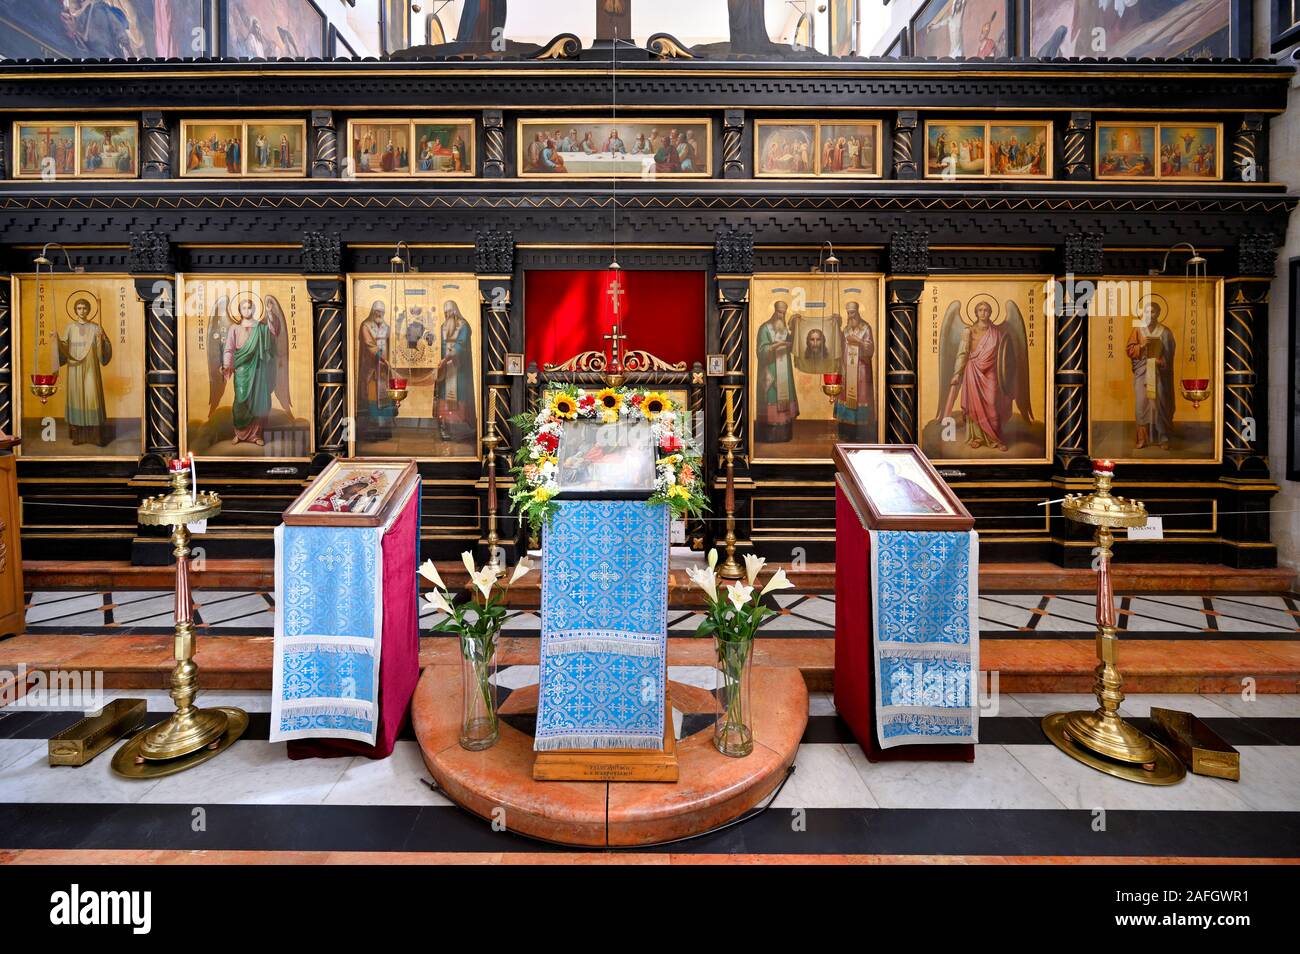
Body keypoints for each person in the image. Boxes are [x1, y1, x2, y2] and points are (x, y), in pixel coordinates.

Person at [941, 299, 1010, 451]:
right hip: (972, 371)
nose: (983, 312)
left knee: (992, 404)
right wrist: (957, 373)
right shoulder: (969, 331)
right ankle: (977, 437)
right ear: (976, 312)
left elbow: (1004, 357)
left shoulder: (997, 333)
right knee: (974, 406)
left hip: (991, 373)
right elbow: (963, 353)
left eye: (986, 310)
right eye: (980, 310)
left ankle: (996, 438)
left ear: (990, 312)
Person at [222, 295, 283, 446]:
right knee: (240, 401)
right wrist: (226, 364)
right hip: (241, 369)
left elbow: (274, 331)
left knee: (258, 401)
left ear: (254, 309)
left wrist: (269, 313)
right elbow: (229, 349)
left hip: (259, 369)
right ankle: (240, 434)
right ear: (239, 310)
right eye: (244, 307)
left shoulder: (261, 327)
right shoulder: (234, 328)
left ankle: (256, 435)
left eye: (249, 307)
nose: (247, 310)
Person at [58, 296, 113, 446]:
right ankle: (79, 436)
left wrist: (101, 340)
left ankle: (95, 437)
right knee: (76, 397)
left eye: (84, 308)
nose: (82, 311)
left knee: (91, 397)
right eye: (79, 308)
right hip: (74, 368)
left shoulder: (96, 327)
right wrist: (55, 340)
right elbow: (63, 346)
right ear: (75, 310)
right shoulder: (70, 327)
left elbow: (104, 349)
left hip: (90, 367)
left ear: (89, 310)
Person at [1125, 298, 1176, 450]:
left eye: (1152, 311)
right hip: (1142, 372)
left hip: (1159, 373)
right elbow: (1129, 350)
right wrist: (1141, 346)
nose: (1149, 314)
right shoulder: (1138, 330)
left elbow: (1170, 354)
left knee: (1160, 403)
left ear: (1158, 313)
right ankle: (1142, 438)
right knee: (1141, 404)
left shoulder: (1165, 332)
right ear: (1143, 313)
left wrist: (1162, 361)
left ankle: (1163, 437)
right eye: (1146, 311)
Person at [756, 301, 799, 443]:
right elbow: (761, 351)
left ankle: (785, 434)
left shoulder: (785, 330)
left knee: (784, 397)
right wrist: (776, 346)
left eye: (784, 313)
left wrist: (796, 327)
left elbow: (793, 347)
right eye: (779, 312)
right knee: (771, 397)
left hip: (784, 372)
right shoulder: (765, 328)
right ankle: (770, 435)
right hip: (770, 372)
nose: (781, 316)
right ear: (774, 311)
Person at [435, 301, 477, 443]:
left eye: (449, 312)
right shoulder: (443, 326)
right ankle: (445, 427)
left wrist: (446, 358)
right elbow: (440, 346)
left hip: (459, 369)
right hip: (446, 370)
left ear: (455, 311)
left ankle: (458, 429)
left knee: (459, 395)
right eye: (445, 312)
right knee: (444, 396)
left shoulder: (463, 326)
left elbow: (460, 345)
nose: (447, 315)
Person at [835, 301, 875, 441]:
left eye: (853, 313)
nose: (850, 316)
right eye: (848, 313)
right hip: (847, 369)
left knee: (861, 396)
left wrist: (858, 341)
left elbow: (870, 350)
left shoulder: (866, 328)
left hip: (861, 370)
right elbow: (841, 348)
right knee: (846, 397)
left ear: (857, 312)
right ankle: (846, 430)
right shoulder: (846, 330)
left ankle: (860, 431)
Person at [356, 300, 393, 442]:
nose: (379, 314)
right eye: (377, 311)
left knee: (384, 397)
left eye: (382, 312)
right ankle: (372, 428)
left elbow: (391, 345)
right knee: (372, 396)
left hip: (383, 370)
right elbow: (369, 344)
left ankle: (384, 427)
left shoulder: (386, 327)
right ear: (372, 311)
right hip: (371, 369)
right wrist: (381, 358)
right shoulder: (366, 326)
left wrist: (389, 361)